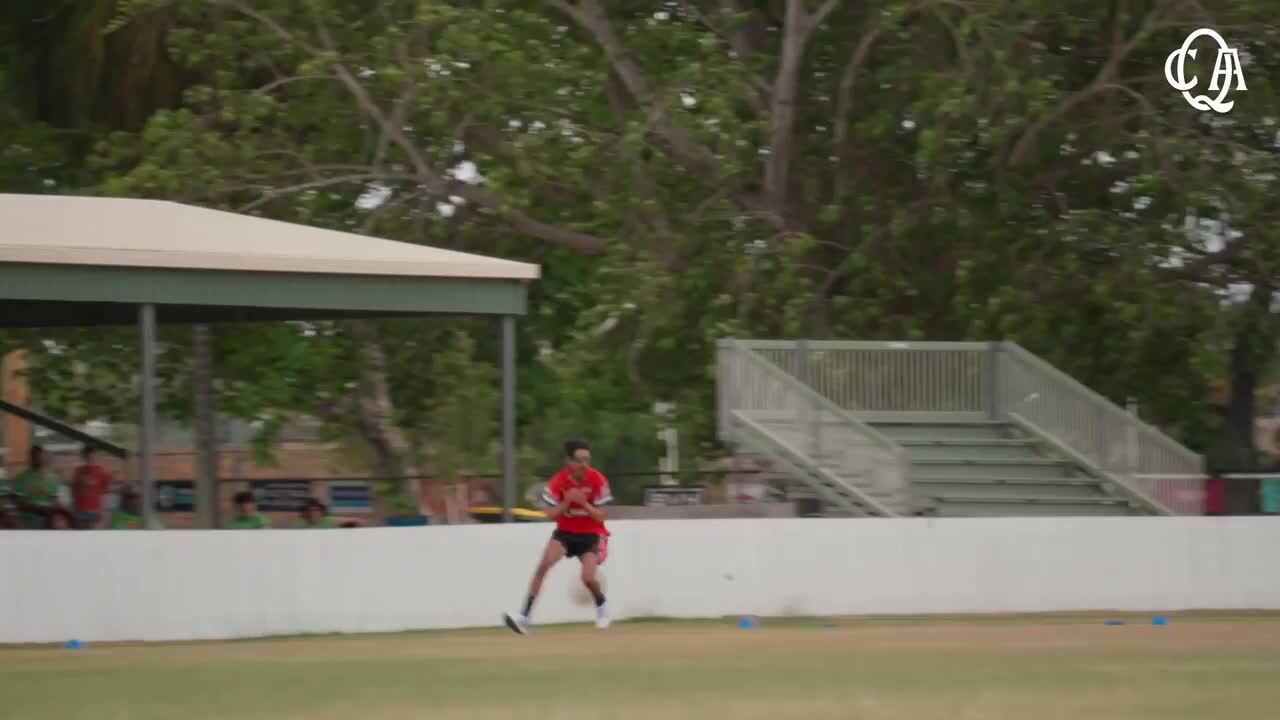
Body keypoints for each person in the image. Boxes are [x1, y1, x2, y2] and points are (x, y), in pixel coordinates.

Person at [505, 440, 613, 634]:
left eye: (587, 460)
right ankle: (524, 617)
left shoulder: (598, 480)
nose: (584, 465)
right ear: (569, 461)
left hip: (591, 533)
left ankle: (601, 605)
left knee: (588, 578)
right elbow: (550, 514)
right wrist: (566, 501)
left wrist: (584, 504)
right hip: (565, 532)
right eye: (579, 460)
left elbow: (601, 515)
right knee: (544, 564)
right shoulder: (558, 481)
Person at [11, 446, 62, 529]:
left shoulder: (53, 479)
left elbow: (55, 500)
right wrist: (36, 508)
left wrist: (52, 508)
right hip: (29, 521)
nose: (38, 459)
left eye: (40, 456)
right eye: (35, 456)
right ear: (30, 458)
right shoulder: (21, 478)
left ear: (44, 458)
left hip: (49, 520)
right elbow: (18, 502)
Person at [70, 445, 114, 529]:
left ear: (95, 456)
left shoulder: (100, 470)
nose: (90, 458)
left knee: (94, 537)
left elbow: (106, 488)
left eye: (92, 455)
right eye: (88, 456)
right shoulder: (78, 471)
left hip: (95, 510)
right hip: (80, 510)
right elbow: (73, 489)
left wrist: (111, 478)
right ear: (84, 457)